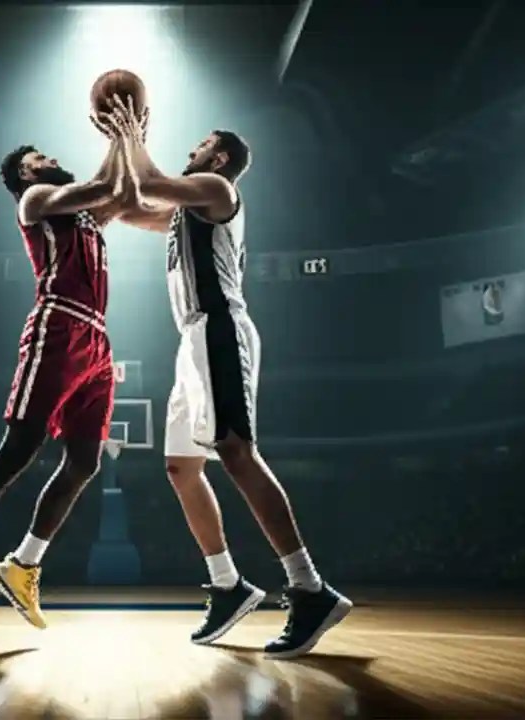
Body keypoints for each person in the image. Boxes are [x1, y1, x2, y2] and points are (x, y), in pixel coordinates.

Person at [97, 97, 352, 659]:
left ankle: (310, 588)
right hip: (191, 341)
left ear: (222, 157)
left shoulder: (217, 192)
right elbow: (133, 203)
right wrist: (118, 147)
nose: (193, 148)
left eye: (202, 143)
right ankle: (227, 584)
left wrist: (132, 130)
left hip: (219, 330)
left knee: (237, 453)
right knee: (180, 467)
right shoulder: (181, 211)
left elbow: (149, 179)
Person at [0, 136, 141, 640]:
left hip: (97, 338)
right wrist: (118, 135)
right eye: (39, 160)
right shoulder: (34, 202)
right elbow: (106, 185)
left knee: (84, 461)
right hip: (56, 325)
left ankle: (23, 565)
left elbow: (120, 195)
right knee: (18, 449)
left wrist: (127, 136)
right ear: (24, 177)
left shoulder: (83, 215)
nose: (52, 160)